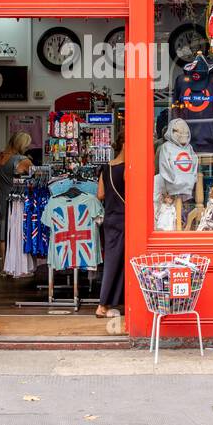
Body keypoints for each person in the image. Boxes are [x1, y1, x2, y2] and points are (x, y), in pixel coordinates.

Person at [96, 130, 126, 318]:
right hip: (124, 218)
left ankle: (111, 303)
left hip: (110, 219)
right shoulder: (126, 168)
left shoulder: (106, 167)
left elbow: (100, 195)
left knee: (114, 261)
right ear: (125, 144)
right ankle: (102, 305)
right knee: (116, 262)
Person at [0, 131, 33, 243]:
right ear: (21, 145)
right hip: (16, 199)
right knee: (16, 231)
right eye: (26, 145)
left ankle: (3, 260)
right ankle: (15, 260)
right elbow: (39, 174)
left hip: (1, 197)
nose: (27, 148)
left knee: (2, 234)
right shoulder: (22, 160)